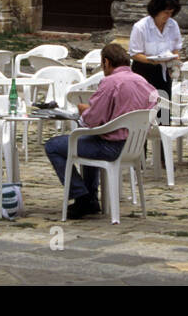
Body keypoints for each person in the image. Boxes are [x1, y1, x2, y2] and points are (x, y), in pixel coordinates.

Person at [44, 42, 157, 219]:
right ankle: (91, 199)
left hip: (111, 146)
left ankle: (82, 196)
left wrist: (84, 110)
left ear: (106, 62)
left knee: (53, 146)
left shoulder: (110, 82)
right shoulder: (143, 82)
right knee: (89, 141)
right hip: (133, 146)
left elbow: (92, 119)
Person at [128, 0, 183, 97]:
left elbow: (176, 49)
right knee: (145, 106)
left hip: (164, 71)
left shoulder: (173, 25)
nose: (168, 16)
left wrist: (175, 64)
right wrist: (151, 60)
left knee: (164, 110)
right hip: (143, 71)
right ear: (157, 11)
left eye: (171, 13)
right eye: (166, 13)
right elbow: (134, 54)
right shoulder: (140, 27)